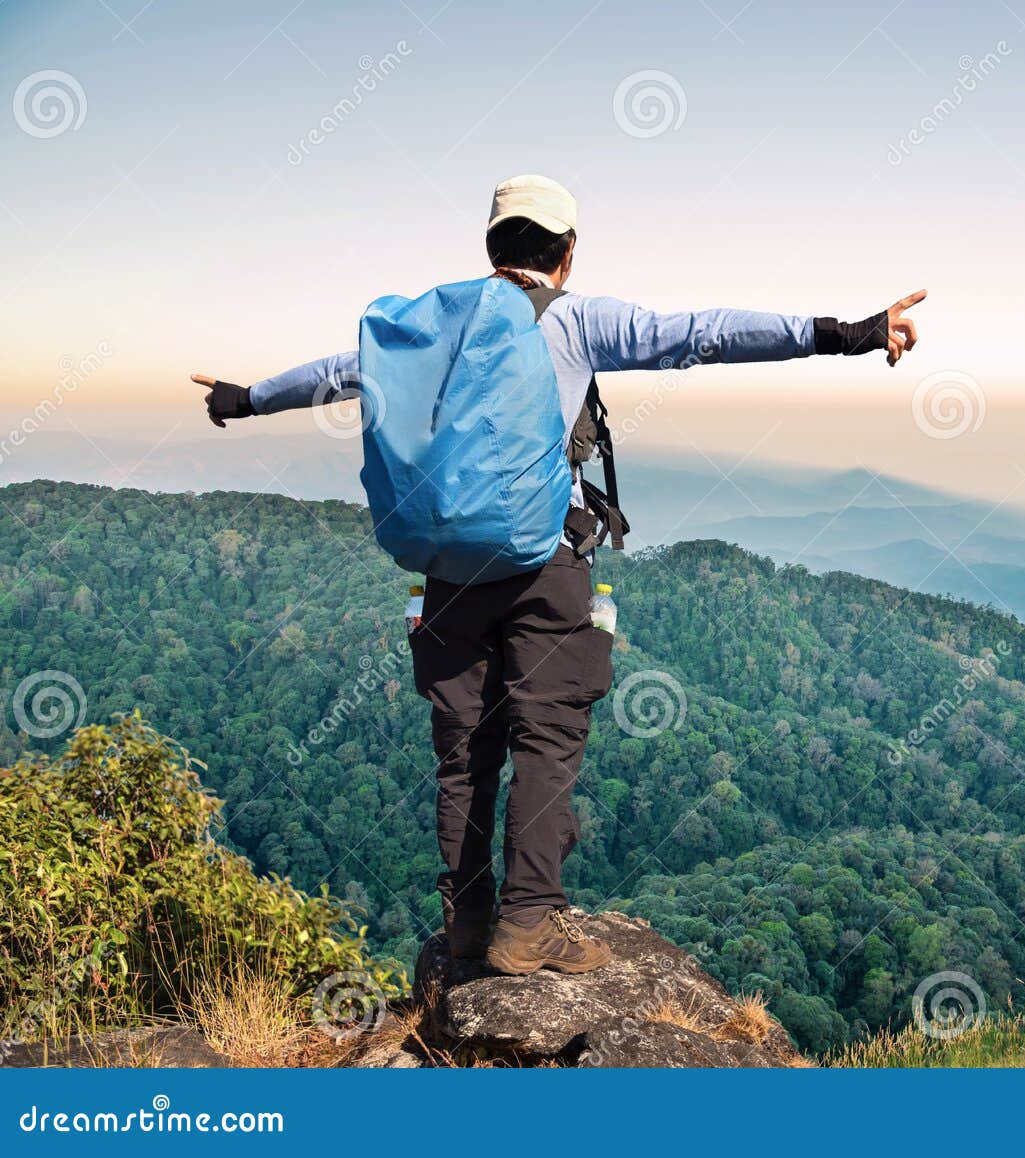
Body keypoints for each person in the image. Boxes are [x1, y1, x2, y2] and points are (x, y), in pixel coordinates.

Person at [193, 174, 925, 975]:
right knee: (547, 737)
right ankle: (529, 923)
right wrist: (845, 334)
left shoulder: (430, 325)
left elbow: (339, 372)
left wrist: (246, 398)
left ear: (490, 247)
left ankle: (468, 923)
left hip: (447, 569)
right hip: (546, 560)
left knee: (464, 750)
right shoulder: (575, 318)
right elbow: (702, 332)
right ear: (567, 254)